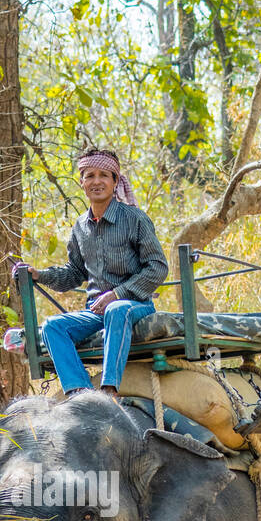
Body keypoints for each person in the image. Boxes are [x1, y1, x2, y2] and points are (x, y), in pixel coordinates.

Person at [12, 148, 168, 397]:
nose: (97, 181)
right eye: (90, 175)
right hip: (95, 312)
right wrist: (38, 275)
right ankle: (81, 394)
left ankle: (109, 390)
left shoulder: (135, 219)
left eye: (104, 175)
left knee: (117, 309)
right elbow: (74, 273)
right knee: (52, 326)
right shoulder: (80, 227)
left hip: (136, 306)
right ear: (82, 183)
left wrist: (117, 294)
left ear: (115, 181)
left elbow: (158, 267)